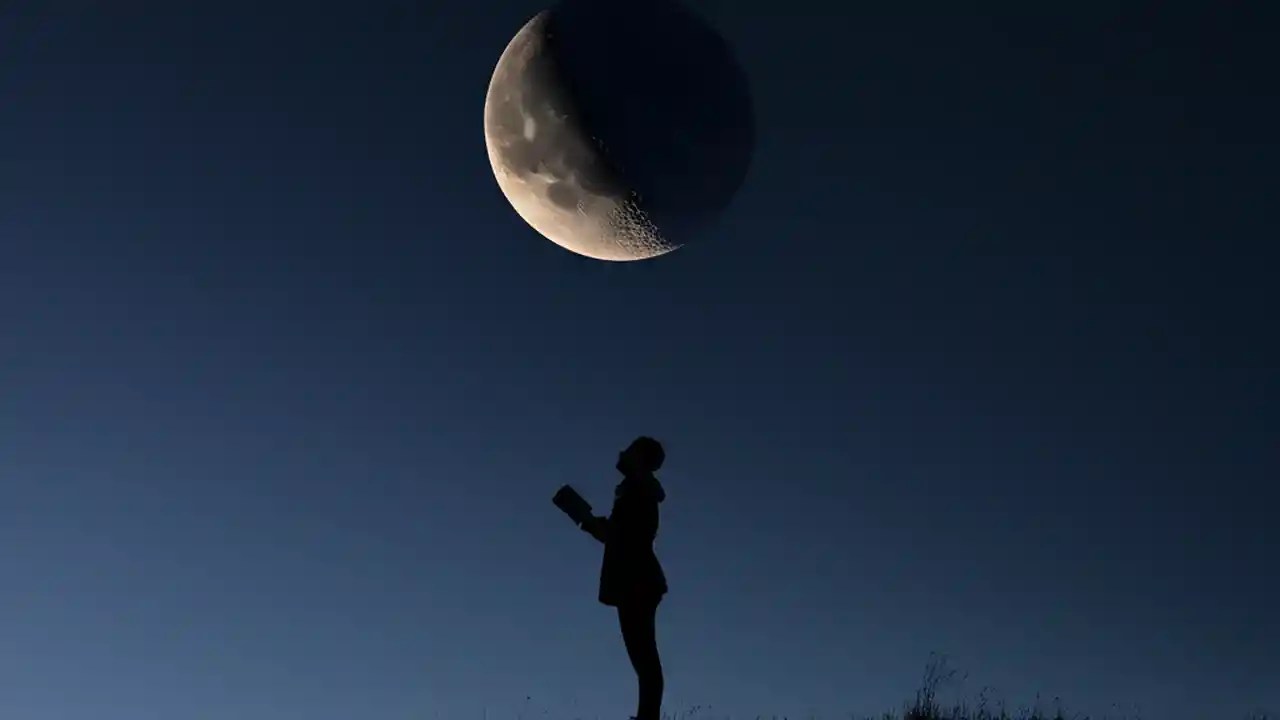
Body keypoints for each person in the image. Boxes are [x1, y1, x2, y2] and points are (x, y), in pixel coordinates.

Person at [581, 436, 668, 720]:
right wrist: (593, 525)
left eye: (629, 450)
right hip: (636, 579)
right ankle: (647, 715)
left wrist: (595, 525)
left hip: (637, 580)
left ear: (639, 457)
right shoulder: (637, 491)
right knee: (643, 655)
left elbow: (626, 536)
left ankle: (648, 717)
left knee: (643, 656)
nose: (622, 452)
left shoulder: (637, 491)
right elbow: (622, 534)